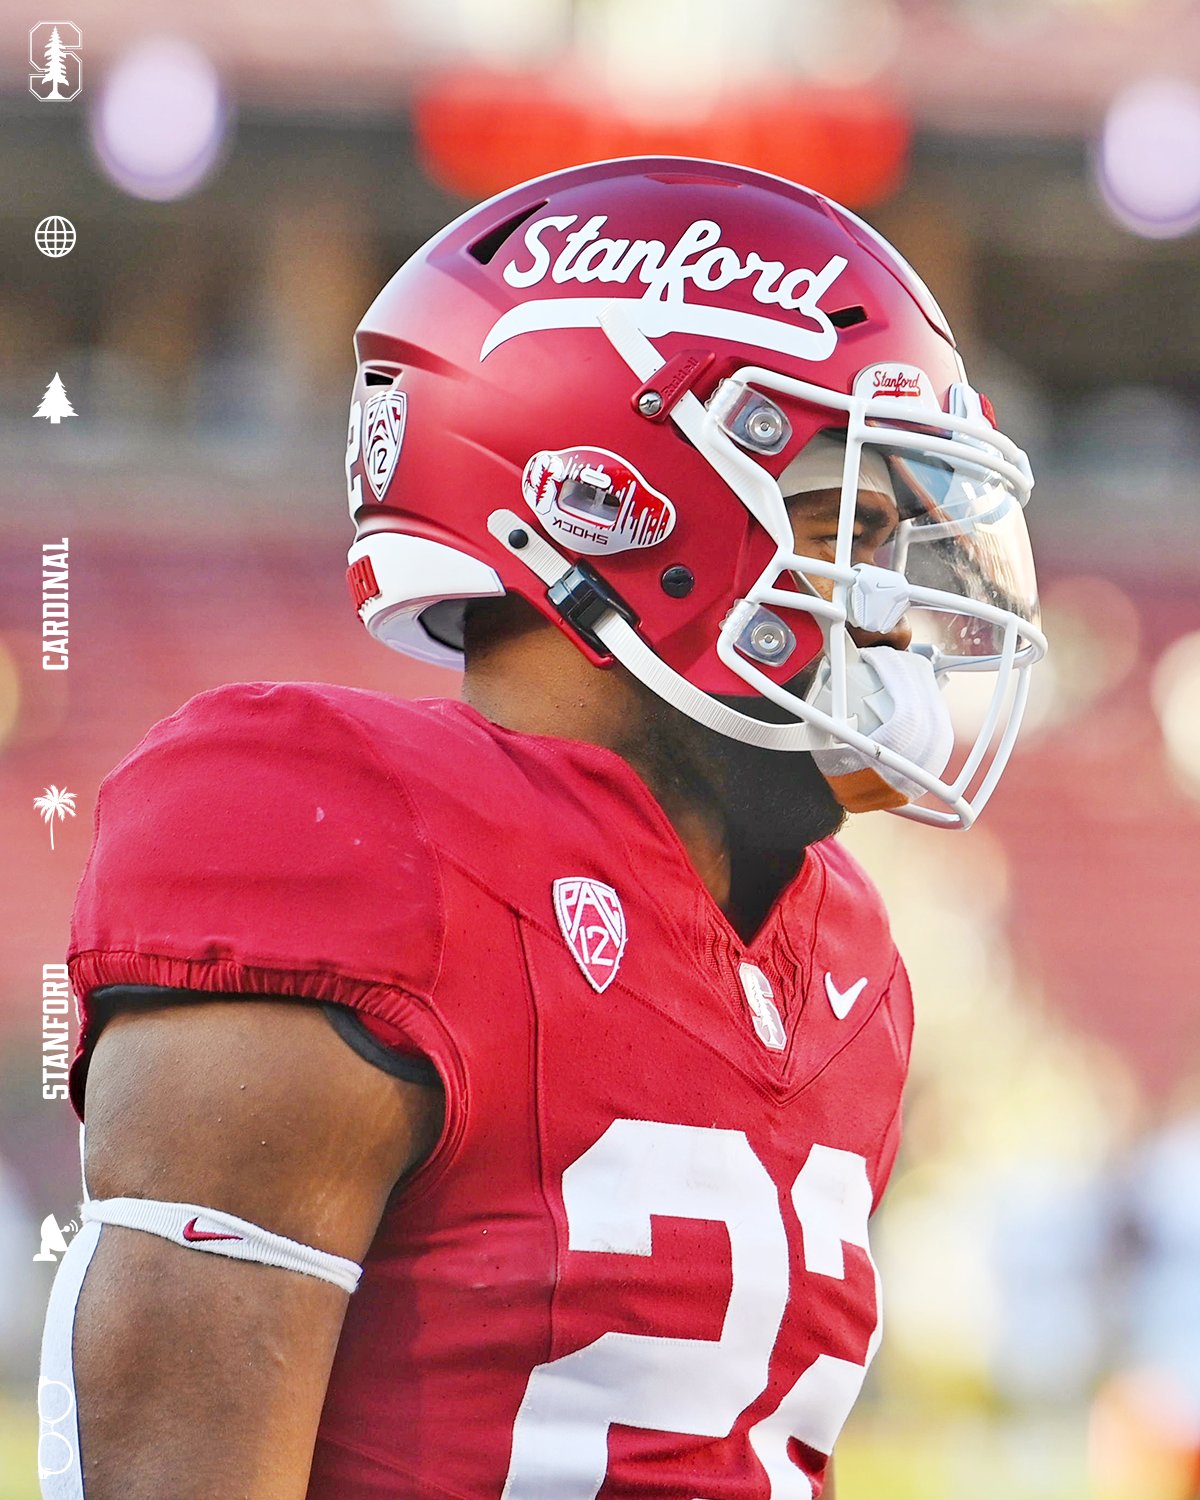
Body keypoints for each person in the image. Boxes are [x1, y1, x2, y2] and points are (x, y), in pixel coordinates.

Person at [39, 156, 1045, 1499]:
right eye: (845, 523)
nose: (884, 609)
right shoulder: (348, 835)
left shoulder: (840, 952)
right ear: (609, 499)